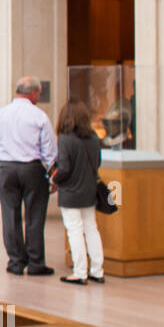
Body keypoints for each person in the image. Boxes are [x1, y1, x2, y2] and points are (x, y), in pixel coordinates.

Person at [0, 77, 58, 276]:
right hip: (32, 169)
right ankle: (36, 263)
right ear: (34, 93)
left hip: (6, 168)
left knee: (10, 215)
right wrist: (52, 173)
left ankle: (16, 262)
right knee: (35, 216)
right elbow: (49, 151)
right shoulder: (39, 116)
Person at [52, 98, 105, 285]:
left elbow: (64, 168)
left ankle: (80, 271)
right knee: (91, 228)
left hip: (71, 192)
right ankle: (97, 270)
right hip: (89, 190)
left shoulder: (66, 139)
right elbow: (97, 163)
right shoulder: (93, 138)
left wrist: (54, 179)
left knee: (74, 230)